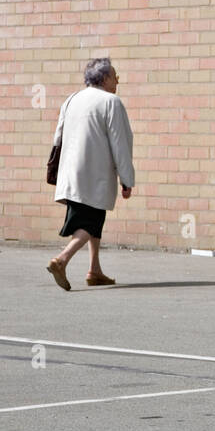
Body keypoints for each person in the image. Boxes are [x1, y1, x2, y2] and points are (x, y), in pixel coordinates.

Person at [46, 58, 135, 290]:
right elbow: (120, 143)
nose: (118, 81)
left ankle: (94, 270)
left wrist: (56, 171)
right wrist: (127, 179)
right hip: (95, 173)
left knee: (91, 217)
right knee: (91, 221)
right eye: (115, 76)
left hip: (71, 171)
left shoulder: (72, 99)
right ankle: (62, 260)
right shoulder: (111, 102)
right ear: (105, 78)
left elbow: (58, 137)